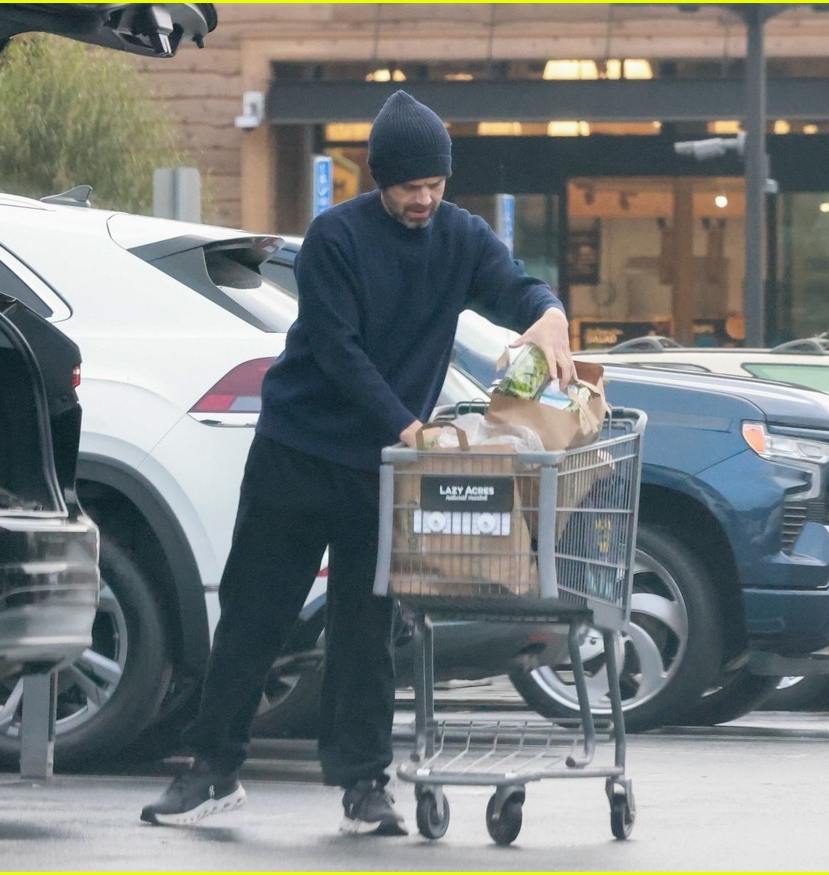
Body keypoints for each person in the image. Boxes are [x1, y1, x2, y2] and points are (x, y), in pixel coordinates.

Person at [140, 89, 574, 836]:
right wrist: (406, 426)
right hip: (300, 447)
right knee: (257, 611)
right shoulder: (334, 238)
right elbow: (339, 352)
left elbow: (514, 286)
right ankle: (211, 770)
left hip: (382, 466)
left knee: (365, 624)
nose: (425, 200)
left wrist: (548, 311)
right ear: (380, 179)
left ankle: (363, 784)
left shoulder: (461, 237)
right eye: (411, 187)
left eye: (436, 185)